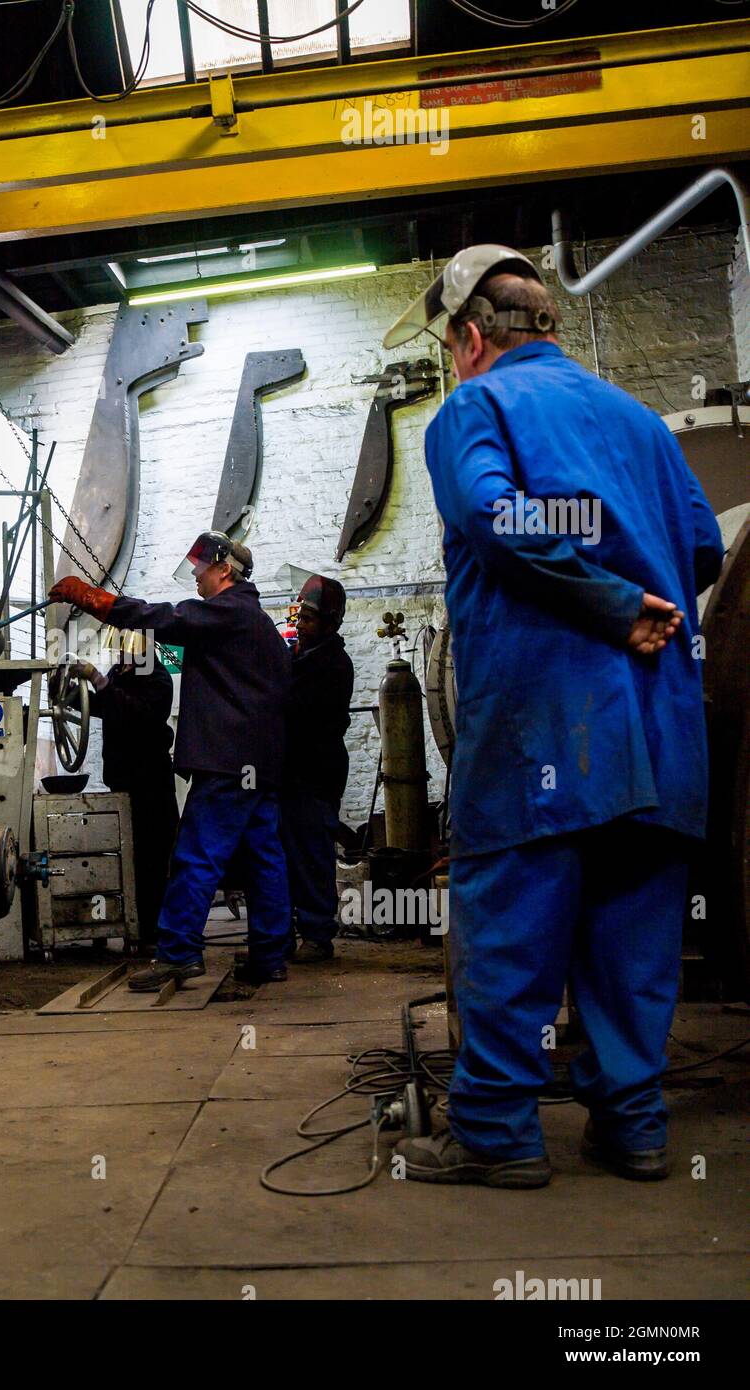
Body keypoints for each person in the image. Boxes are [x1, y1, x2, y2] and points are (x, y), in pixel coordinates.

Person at [381, 245, 724, 1188]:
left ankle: (496, 1135)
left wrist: (608, 606)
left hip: (543, 726)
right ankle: (634, 1129)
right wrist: (640, 602)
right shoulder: (639, 421)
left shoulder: (475, 408)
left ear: (471, 337)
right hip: (659, 733)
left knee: (512, 935)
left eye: (451, 345)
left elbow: (499, 519)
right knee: (632, 948)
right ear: (552, 328)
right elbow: (699, 548)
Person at [50, 531, 291, 991]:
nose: (196, 576)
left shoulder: (229, 611)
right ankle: (270, 956)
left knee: (196, 856)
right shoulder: (257, 622)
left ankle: (178, 953)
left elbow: (163, 618)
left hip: (226, 764)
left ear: (225, 569)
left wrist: (96, 599)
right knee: (264, 858)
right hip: (257, 764)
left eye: (202, 568)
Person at [73, 630, 177, 950]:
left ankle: (152, 933)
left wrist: (96, 679)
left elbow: (134, 711)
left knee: (151, 860)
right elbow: (106, 707)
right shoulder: (123, 673)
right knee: (128, 858)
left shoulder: (157, 680)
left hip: (150, 783)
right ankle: (132, 924)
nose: (121, 654)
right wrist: (70, 694)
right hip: (123, 779)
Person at [279, 574, 354, 962]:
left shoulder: (332, 664)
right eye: (299, 617)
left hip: (314, 773)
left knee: (311, 855)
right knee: (290, 856)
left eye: (308, 619)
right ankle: (292, 930)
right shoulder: (303, 656)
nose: (300, 625)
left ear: (329, 623)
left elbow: (294, 708)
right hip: (293, 774)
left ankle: (318, 935)